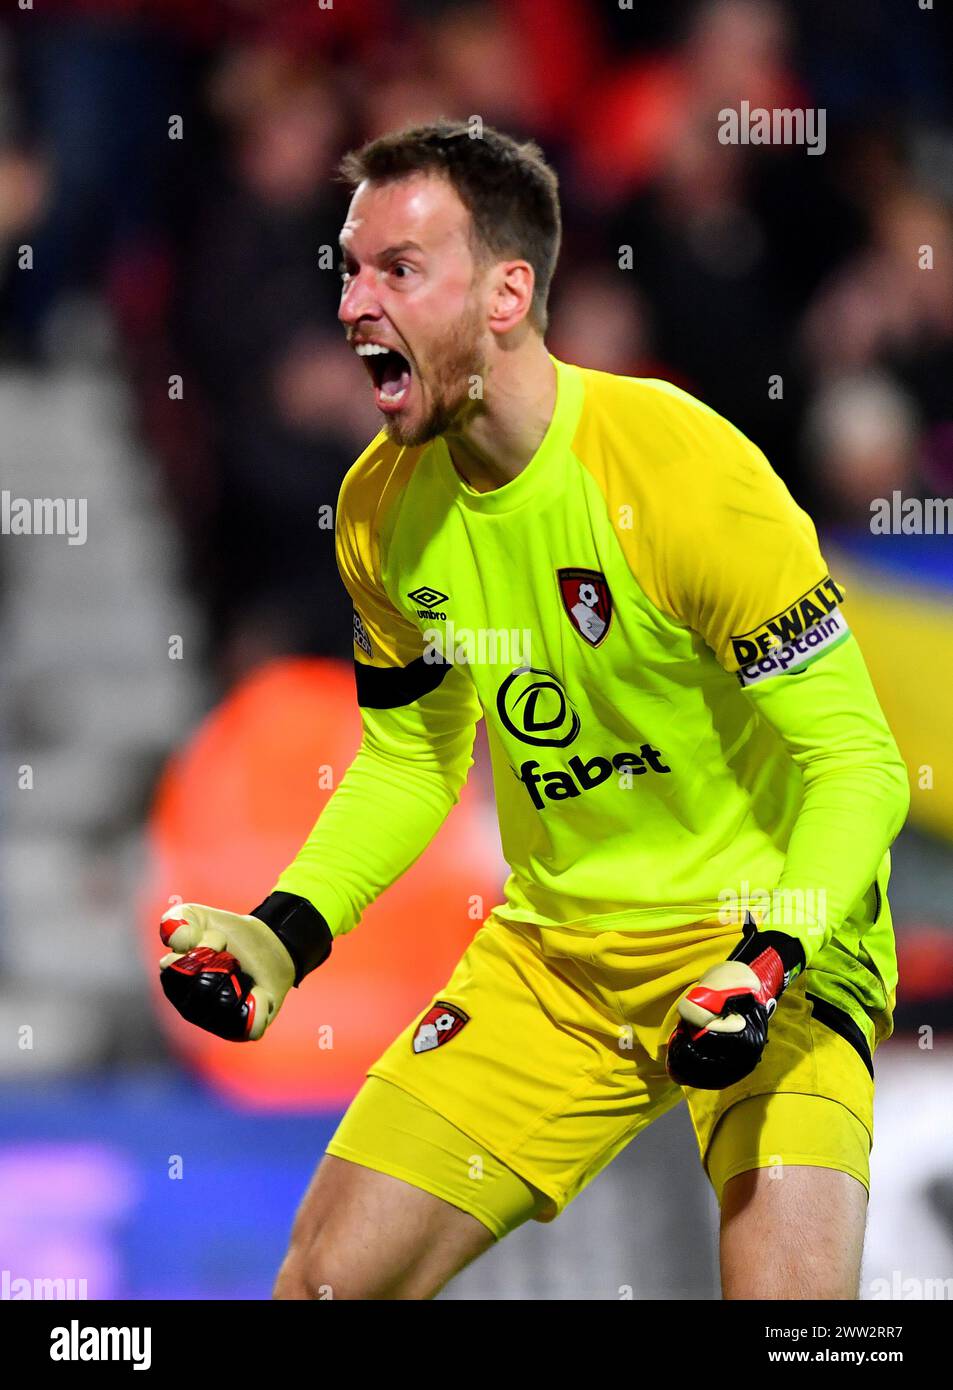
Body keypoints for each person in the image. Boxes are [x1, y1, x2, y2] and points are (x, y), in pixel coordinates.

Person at [157, 121, 909, 1300]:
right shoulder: (377, 509)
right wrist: (285, 930)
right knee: (321, 1286)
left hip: (774, 948)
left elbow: (858, 764)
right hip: (560, 959)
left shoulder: (680, 472)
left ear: (506, 294)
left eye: (397, 269)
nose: (352, 305)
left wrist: (766, 956)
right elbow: (410, 760)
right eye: (348, 270)